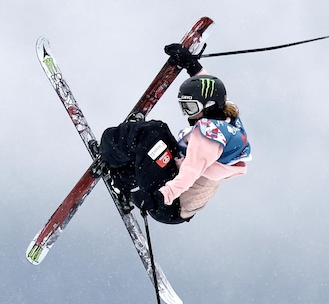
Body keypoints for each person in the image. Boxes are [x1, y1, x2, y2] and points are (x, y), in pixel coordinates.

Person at [98, 43, 250, 225]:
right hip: (175, 201)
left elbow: (189, 174)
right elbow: (212, 89)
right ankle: (124, 178)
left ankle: (110, 149)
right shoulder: (227, 118)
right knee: (159, 143)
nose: (188, 115)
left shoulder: (209, 137)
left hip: (169, 203)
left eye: (191, 108)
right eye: (184, 107)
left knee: (154, 133)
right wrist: (192, 65)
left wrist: (158, 198)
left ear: (208, 106)